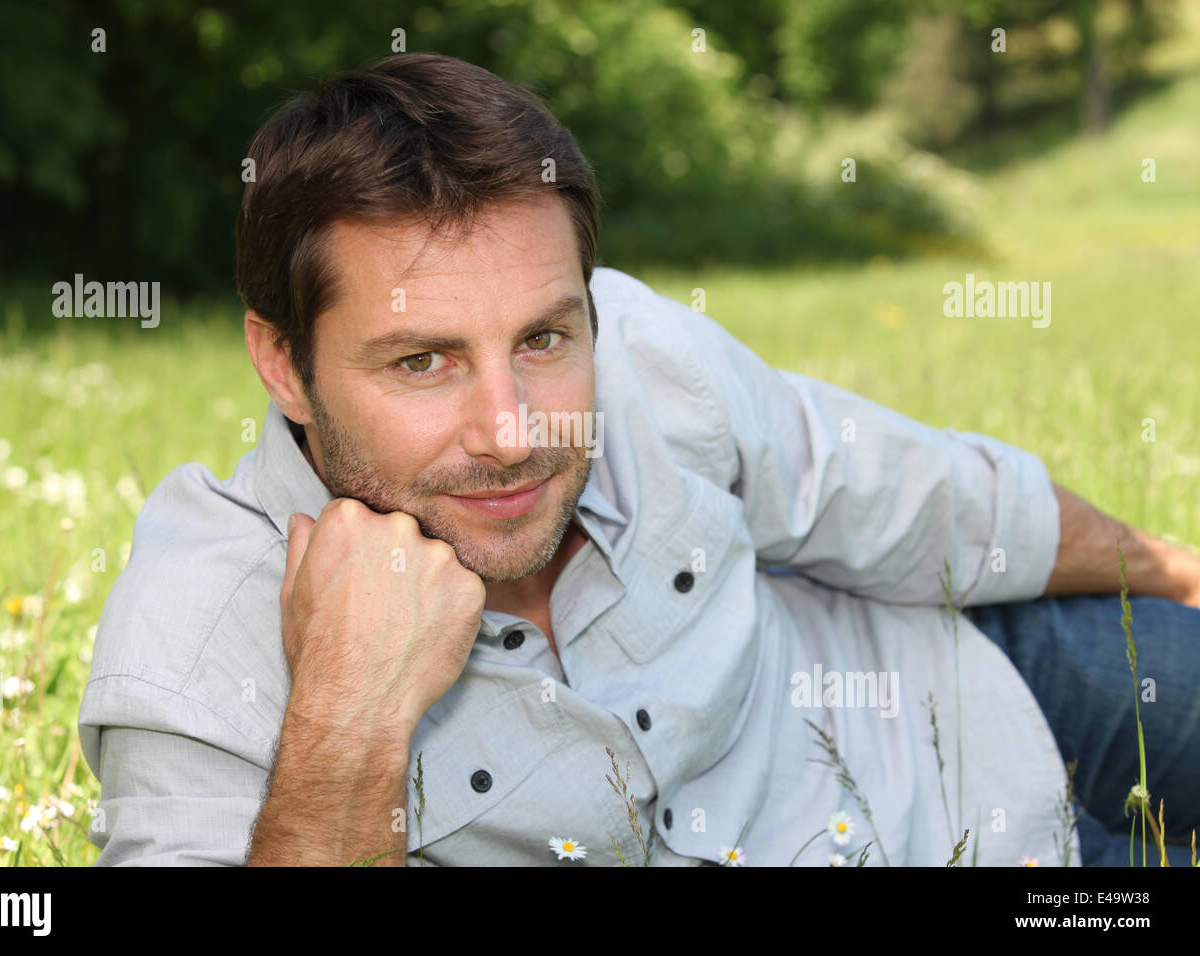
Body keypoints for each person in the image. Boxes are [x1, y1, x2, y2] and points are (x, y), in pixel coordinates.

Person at [77, 52, 1200, 867]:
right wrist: (347, 715)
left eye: (544, 339)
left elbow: (917, 499)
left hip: (980, 680)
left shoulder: (651, 356)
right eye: (422, 361)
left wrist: (1167, 568)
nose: (514, 429)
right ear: (282, 360)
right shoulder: (195, 638)